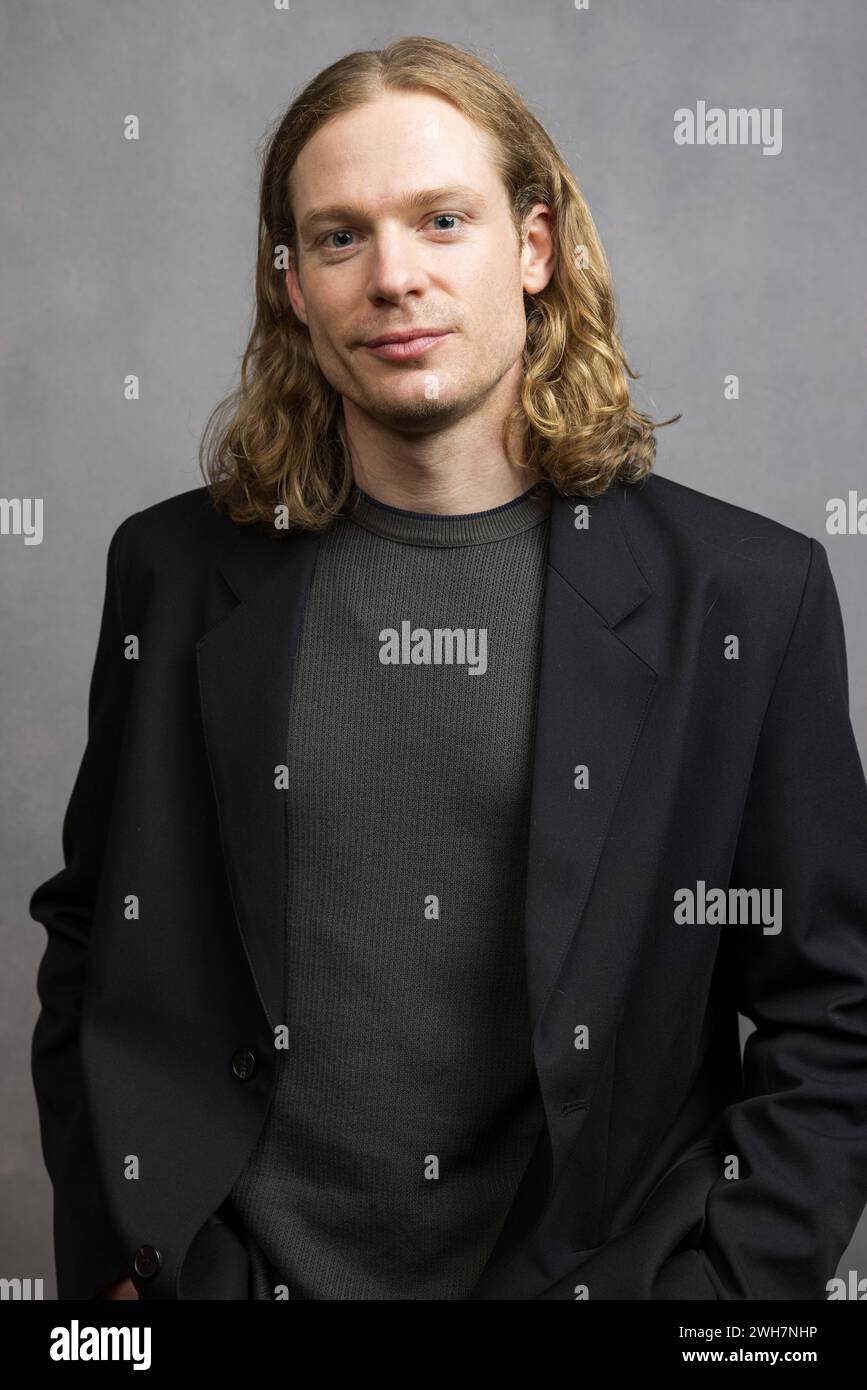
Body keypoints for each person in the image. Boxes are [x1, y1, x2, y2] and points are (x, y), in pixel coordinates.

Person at [30, 35, 867, 1302]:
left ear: (533, 249)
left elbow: (834, 1013)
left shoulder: (748, 595)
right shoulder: (171, 570)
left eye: (440, 219)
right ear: (294, 286)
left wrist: (725, 1304)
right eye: (339, 237)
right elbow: (99, 939)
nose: (394, 277)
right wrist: (125, 1263)